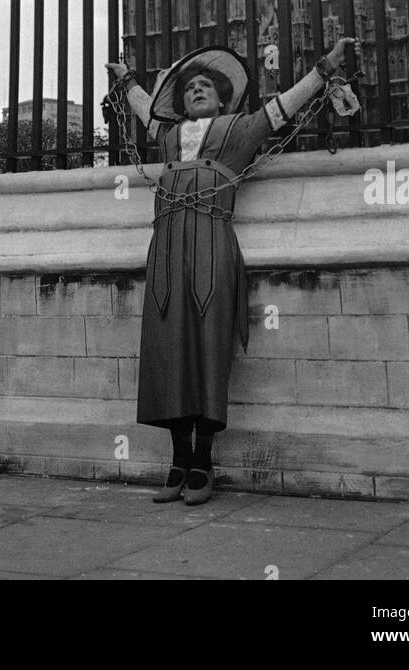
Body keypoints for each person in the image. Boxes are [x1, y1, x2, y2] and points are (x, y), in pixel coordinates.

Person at [105, 36, 360, 506]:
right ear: (181, 103)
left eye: (205, 86)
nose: (196, 90)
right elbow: (143, 110)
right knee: (167, 348)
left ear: (223, 99)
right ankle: (177, 460)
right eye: (189, 88)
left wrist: (325, 67)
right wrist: (127, 82)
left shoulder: (240, 131)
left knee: (208, 346)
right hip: (165, 253)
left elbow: (284, 107)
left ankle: (202, 461)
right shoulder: (168, 137)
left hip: (212, 248)